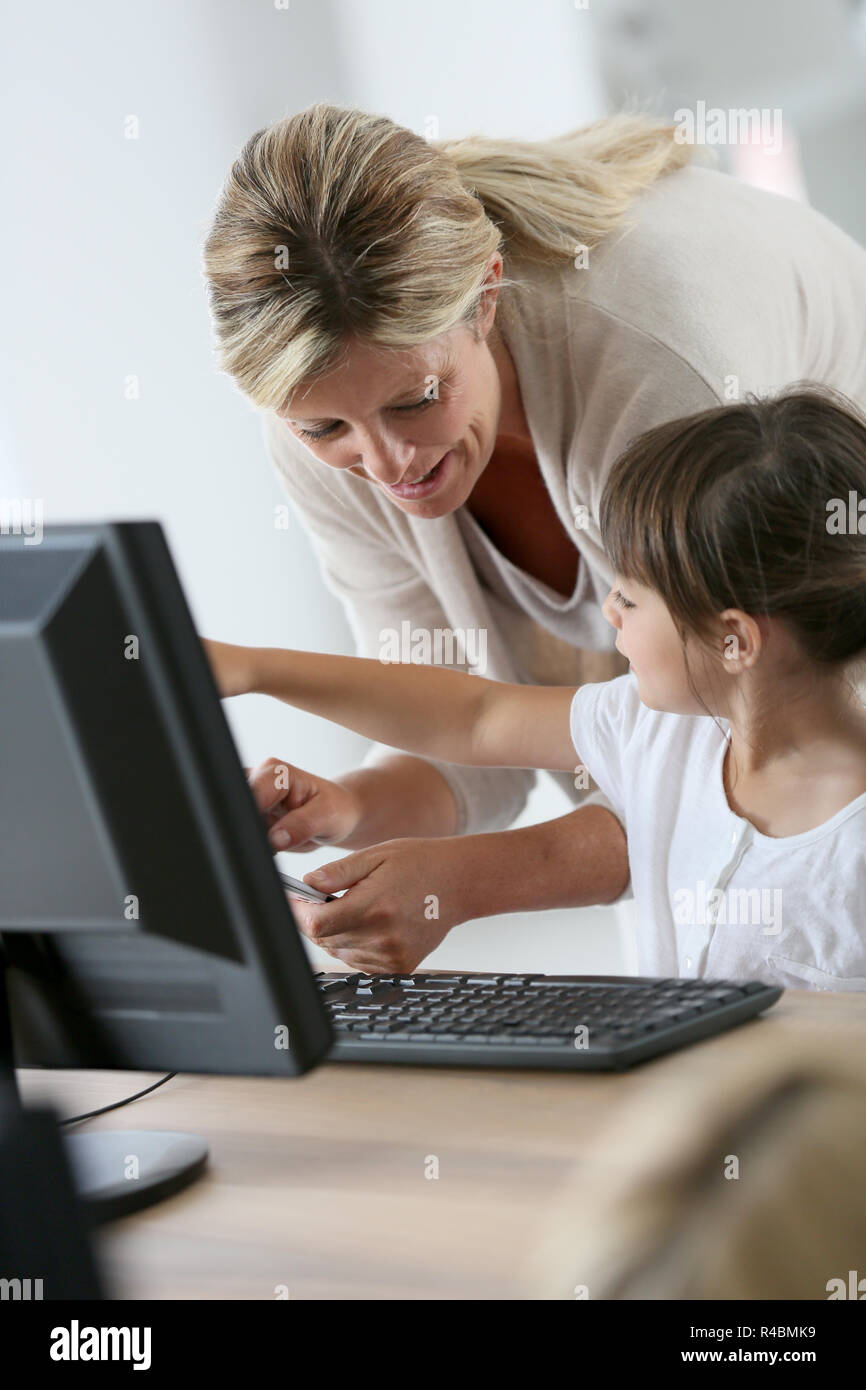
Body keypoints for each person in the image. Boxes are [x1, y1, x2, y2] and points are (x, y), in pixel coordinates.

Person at [201, 103, 866, 968]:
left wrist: (458, 884)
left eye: (416, 400)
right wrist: (349, 802)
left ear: (485, 294)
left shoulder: (666, 382)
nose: (388, 461)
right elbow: (471, 717)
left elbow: (692, 794)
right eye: (325, 429)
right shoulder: (326, 401)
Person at [204, 385, 866, 984]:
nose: (607, 612)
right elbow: (475, 716)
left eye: (630, 601)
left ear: (734, 640)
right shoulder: (655, 730)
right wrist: (256, 670)